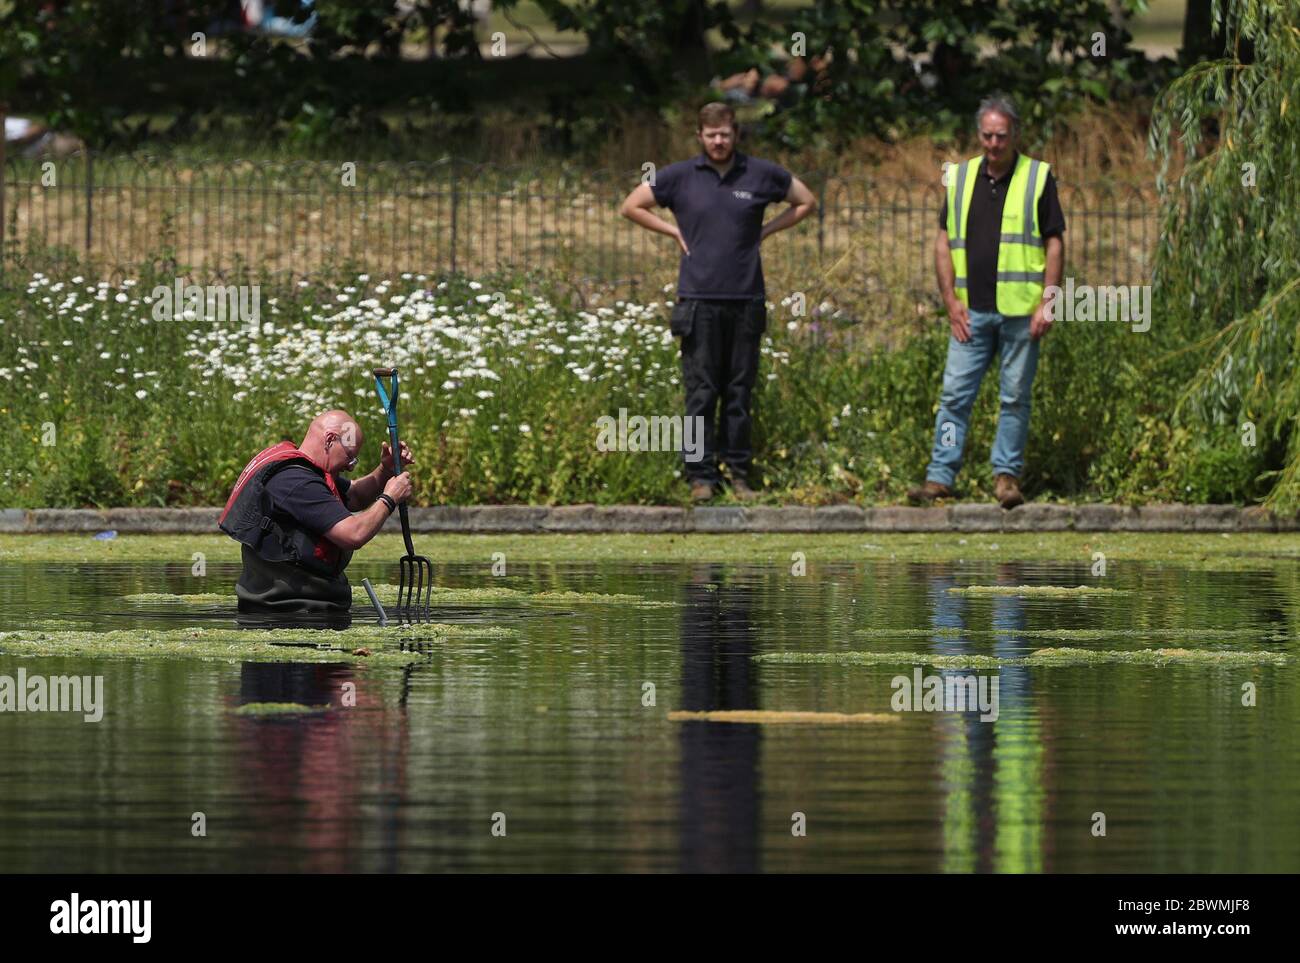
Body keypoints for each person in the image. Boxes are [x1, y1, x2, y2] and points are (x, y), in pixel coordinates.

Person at [619, 102, 816, 501]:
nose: (719, 141)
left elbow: (806, 200)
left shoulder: (761, 174)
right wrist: (672, 232)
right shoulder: (679, 176)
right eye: (711, 135)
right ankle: (700, 477)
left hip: (746, 299)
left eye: (725, 134)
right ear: (700, 137)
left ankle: (738, 474)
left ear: (735, 134)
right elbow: (631, 205)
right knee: (701, 392)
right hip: (698, 301)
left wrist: (768, 230)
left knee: (739, 392)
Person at [908, 94, 1065, 509]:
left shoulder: (1037, 177)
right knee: (955, 396)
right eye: (987, 136)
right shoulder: (959, 178)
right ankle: (940, 477)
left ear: (1015, 135)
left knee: (1014, 397)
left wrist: (1049, 301)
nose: (993, 144)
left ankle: (1006, 479)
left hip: (1020, 310)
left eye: (1001, 136)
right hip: (970, 311)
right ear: (979, 135)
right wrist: (949, 300)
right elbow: (943, 240)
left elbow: (1054, 242)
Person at [219, 409, 413, 615]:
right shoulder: (296, 482)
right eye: (350, 458)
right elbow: (353, 534)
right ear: (330, 440)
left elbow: (354, 495)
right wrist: (389, 498)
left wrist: (385, 470)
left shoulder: (304, 471)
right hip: (292, 615)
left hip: (303, 610)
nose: (350, 468)